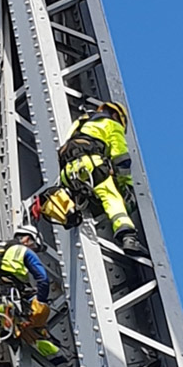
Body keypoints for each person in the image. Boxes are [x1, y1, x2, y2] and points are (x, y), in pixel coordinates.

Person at [0, 226, 75, 367]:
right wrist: (40, 303)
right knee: (42, 340)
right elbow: (42, 280)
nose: (34, 249)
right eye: (34, 245)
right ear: (27, 239)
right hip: (18, 307)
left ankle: (14, 339)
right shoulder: (24, 251)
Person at [58, 101, 147, 257]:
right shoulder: (112, 124)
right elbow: (121, 158)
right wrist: (124, 185)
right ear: (115, 115)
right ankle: (128, 237)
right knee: (112, 198)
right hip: (91, 165)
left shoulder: (81, 124)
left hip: (68, 173)